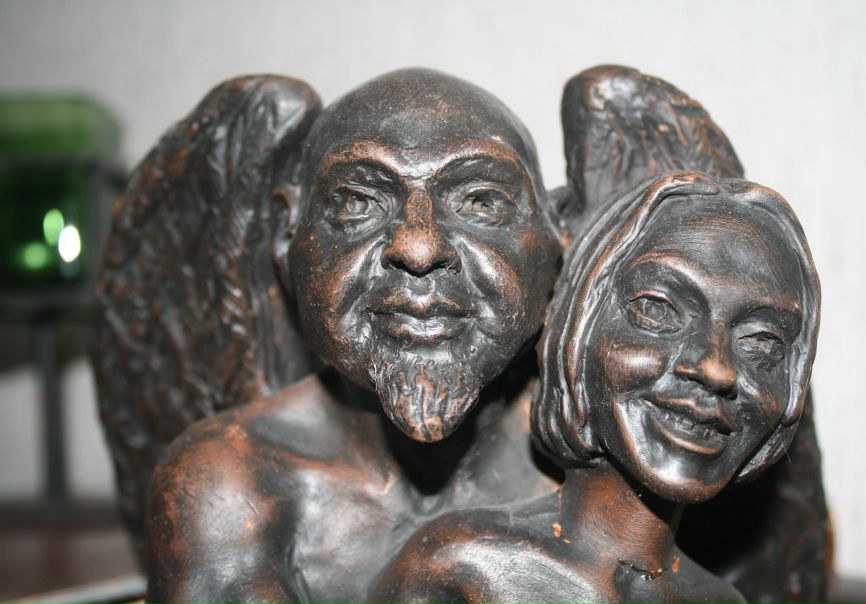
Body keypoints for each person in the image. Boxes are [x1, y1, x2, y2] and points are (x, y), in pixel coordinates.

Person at [144, 68, 563, 604]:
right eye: (357, 202)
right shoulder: (231, 487)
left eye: (480, 201)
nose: (418, 247)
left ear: (560, 234)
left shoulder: (610, 466)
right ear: (286, 235)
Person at [369, 172, 821, 603]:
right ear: (581, 327)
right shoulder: (462, 571)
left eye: (761, 342)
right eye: (658, 310)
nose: (717, 369)